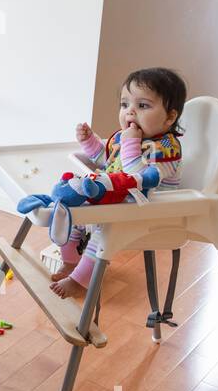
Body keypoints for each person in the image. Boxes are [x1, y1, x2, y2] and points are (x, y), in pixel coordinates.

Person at [51, 68, 185, 300]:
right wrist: (89, 142)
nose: (130, 112)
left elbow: (138, 178)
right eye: (125, 105)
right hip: (122, 202)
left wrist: (131, 143)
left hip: (150, 210)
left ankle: (79, 280)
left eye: (143, 106)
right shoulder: (129, 138)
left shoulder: (165, 151)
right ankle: (70, 262)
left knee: (103, 232)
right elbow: (108, 162)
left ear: (170, 117)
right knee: (73, 215)